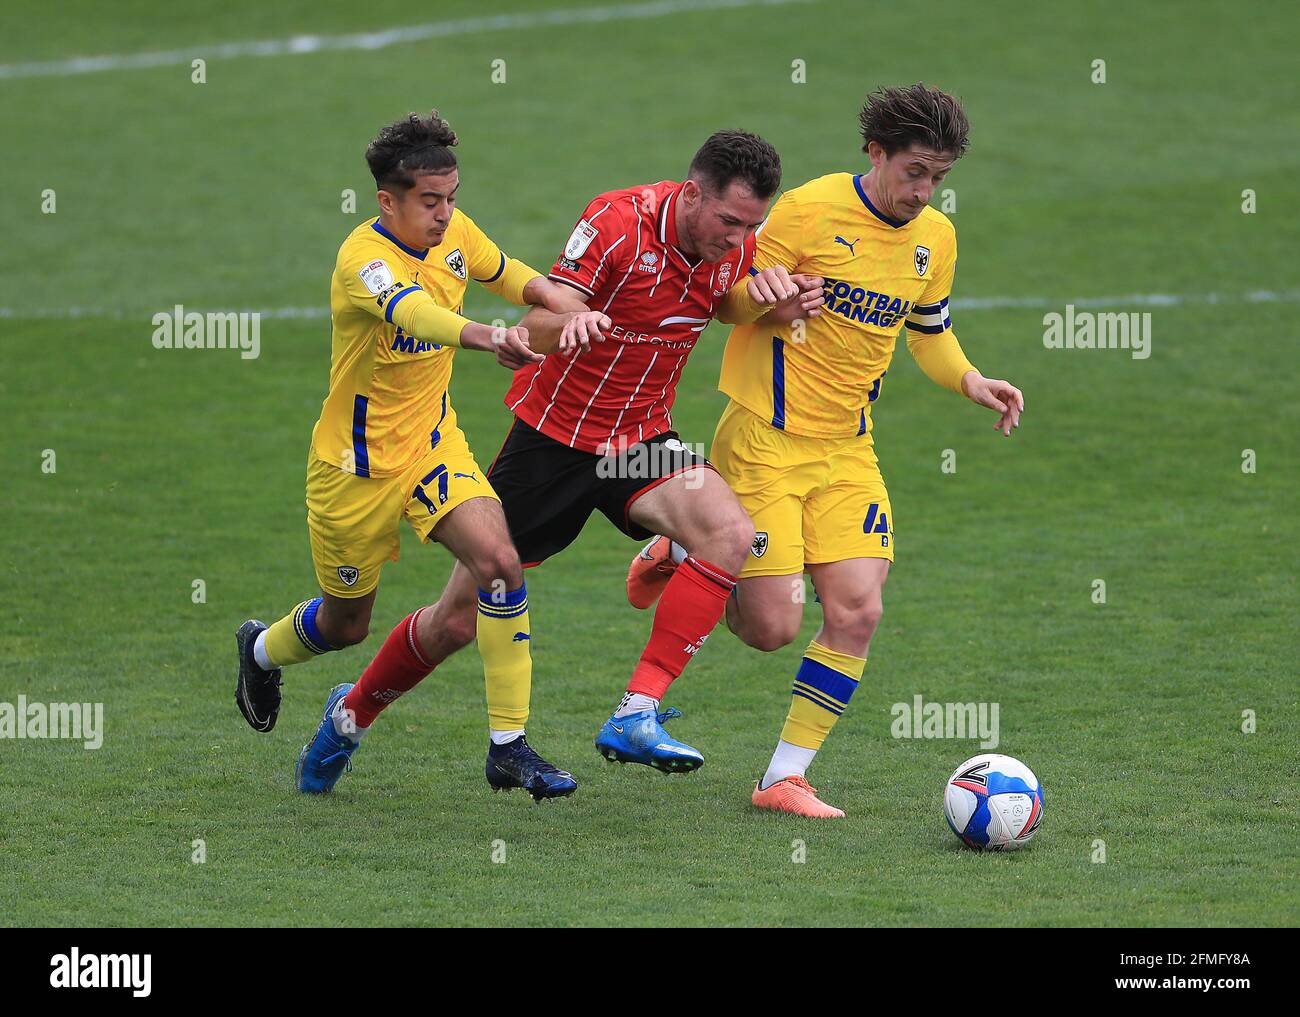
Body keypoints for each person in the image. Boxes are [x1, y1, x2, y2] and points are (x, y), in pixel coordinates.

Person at [627, 84, 1025, 816]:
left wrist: (971, 380)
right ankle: (688, 552)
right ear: (875, 152)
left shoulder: (936, 238)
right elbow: (727, 296)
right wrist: (768, 301)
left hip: (849, 450)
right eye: (914, 171)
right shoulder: (807, 210)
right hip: (765, 442)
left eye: (938, 177)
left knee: (858, 610)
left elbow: (928, 331)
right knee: (773, 626)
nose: (925, 190)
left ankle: (783, 777)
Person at [234, 110, 587, 799]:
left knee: (500, 562)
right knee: (346, 625)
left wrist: (553, 296)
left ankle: (508, 746)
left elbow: (503, 269)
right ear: (387, 200)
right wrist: (489, 337)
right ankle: (259, 648)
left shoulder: (453, 232)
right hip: (353, 472)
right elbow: (413, 312)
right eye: (430, 202)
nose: (445, 214)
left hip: (431, 445)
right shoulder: (362, 261)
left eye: (451, 198)